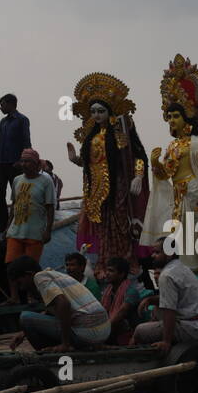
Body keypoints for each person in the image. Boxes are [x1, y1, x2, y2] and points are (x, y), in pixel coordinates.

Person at [142, 56, 198, 273]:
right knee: (181, 236)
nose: (171, 120)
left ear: (186, 118)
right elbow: (165, 174)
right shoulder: (172, 147)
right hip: (179, 198)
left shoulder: (196, 143)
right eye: (169, 116)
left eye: (176, 116)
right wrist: (154, 163)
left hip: (195, 194)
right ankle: (185, 271)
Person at [66, 72, 150, 263]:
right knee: (101, 227)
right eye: (93, 111)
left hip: (117, 186)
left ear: (109, 111)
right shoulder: (92, 135)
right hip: (94, 189)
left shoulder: (120, 131)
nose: (96, 115)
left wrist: (138, 176)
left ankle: (125, 265)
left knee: (120, 225)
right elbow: (92, 163)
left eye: (100, 111)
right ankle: (104, 264)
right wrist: (76, 160)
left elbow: (137, 156)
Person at [6, 255, 109, 351]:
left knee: (25, 317)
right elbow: (55, 311)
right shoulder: (54, 275)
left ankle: (48, 353)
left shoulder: (39, 277)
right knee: (32, 318)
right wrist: (24, 333)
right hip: (102, 333)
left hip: (87, 334)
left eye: (20, 283)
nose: (22, 288)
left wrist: (65, 343)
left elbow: (63, 304)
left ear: (29, 274)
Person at [130, 239, 198, 353]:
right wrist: (150, 300)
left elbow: (170, 310)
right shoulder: (181, 267)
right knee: (156, 309)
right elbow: (173, 300)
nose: (153, 256)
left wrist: (166, 342)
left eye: (157, 252)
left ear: (169, 254)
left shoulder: (167, 275)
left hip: (193, 329)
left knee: (139, 331)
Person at [0, 93, 31, 234]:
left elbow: (26, 141)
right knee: (0, 194)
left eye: (2, 104)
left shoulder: (22, 120)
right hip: (2, 163)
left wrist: (23, 161)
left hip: (15, 164)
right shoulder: (3, 122)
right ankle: (2, 224)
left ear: (11, 104)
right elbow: (0, 144)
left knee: (18, 196)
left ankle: (18, 224)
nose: (1, 107)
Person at [4, 148, 55, 263]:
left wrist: (48, 231)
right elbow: (14, 204)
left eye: (27, 161)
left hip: (35, 234)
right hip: (15, 232)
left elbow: (50, 207)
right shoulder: (17, 180)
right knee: (11, 266)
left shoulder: (46, 181)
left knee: (29, 270)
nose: (24, 164)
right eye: (22, 161)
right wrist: (8, 227)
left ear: (36, 164)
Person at [100, 256, 144, 345]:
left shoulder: (131, 292)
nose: (107, 273)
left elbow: (120, 313)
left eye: (111, 271)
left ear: (121, 274)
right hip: (111, 331)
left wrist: (100, 333)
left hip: (128, 334)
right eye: (107, 270)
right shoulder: (107, 291)